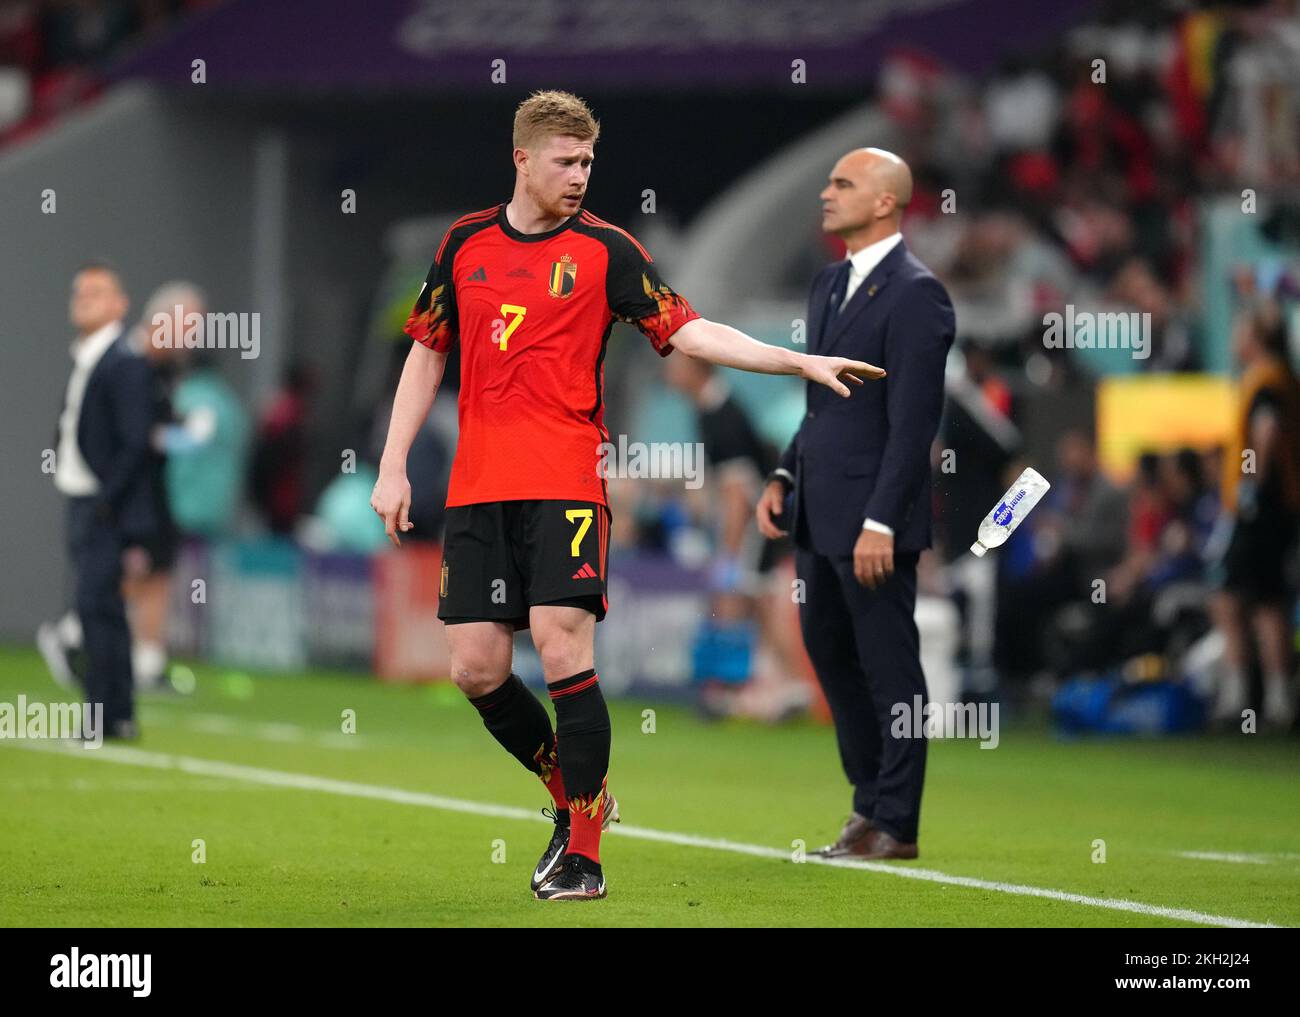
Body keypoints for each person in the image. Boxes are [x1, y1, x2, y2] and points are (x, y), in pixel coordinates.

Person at [370, 90, 882, 901]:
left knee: (561, 642)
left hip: (566, 479)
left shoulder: (607, 251)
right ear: (523, 160)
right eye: (566, 162)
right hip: (477, 486)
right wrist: (393, 464)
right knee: (474, 666)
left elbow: (690, 331)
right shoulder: (464, 244)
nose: (579, 176)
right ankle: (580, 794)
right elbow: (427, 354)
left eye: (588, 162)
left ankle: (583, 854)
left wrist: (800, 360)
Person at [756, 148, 955, 860]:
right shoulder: (828, 283)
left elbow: (913, 423)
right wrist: (783, 473)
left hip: (873, 520)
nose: (825, 191)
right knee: (831, 656)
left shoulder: (917, 293)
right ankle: (867, 802)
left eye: (842, 182)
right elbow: (820, 403)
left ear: (884, 202)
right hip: (817, 510)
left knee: (889, 666)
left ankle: (897, 820)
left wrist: (882, 520)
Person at [37, 262, 158, 740]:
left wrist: (108, 501)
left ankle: (103, 716)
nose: (83, 298)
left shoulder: (122, 362)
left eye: (96, 291)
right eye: (79, 290)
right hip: (84, 499)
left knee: (94, 606)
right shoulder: (88, 358)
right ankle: (118, 714)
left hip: (102, 504)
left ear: (119, 304)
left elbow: (135, 442)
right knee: (101, 608)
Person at [1208, 302, 1300, 730]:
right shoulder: (1277, 379)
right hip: (1273, 506)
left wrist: (1250, 485)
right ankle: (1264, 697)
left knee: (1254, 600)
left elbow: (1265, 433)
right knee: (1258, 599)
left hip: (1263, 509)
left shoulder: (1267, 382)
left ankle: (1252, 698)